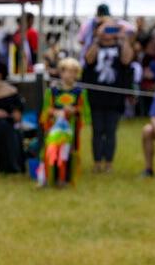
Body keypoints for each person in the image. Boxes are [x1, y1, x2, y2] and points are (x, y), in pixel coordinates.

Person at [83, 17, 133, 173]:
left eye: (112, 29)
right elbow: (88, 59)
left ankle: (109, 163)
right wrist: (97, 39)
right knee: (97, 130)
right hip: (96, 96)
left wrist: (123, 39)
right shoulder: (95, 45)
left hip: (114, 97)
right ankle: (97, 162)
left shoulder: (120, 47)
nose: (108, 32)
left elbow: (126, 60)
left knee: (111, 130)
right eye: (106, 28)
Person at [39, 58, 91, 186]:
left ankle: (65, 179)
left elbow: (85, 112)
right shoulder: (52, 91)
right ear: (60, 73)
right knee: (51, 151)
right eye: (66, 71)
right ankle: (49, 178)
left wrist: (74, 110)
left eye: (73, 72)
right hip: (54, 129)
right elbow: (45, 110)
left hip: (71, 129)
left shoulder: (80, 92)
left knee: (67, 153)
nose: (69, 75)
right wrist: (54, 112)